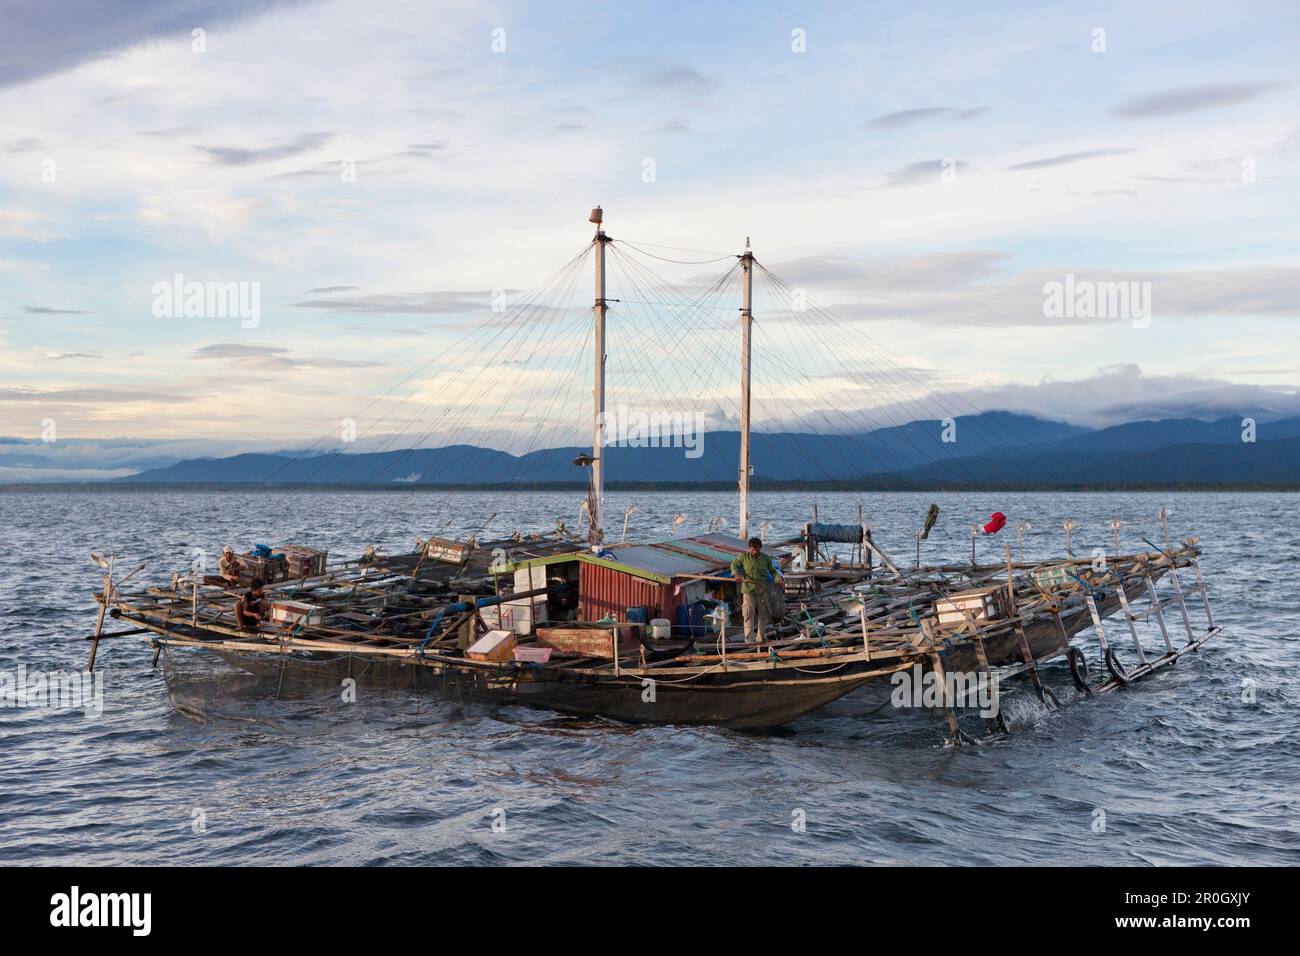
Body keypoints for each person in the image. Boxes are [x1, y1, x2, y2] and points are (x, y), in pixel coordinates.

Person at [729, 537, 783, 645]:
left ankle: (761, 637)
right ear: (749, 548)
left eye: (757, 549)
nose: (755, 551)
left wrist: (779, 579)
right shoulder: (743, 557)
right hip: (748, 589)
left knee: (763, 614)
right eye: (753, 549)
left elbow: (773, 571)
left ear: (760, 548)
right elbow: (734, 564)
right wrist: (736, 574)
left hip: (762, 589)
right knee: (749, 613)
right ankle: (749, 639)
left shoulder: (766, 558)